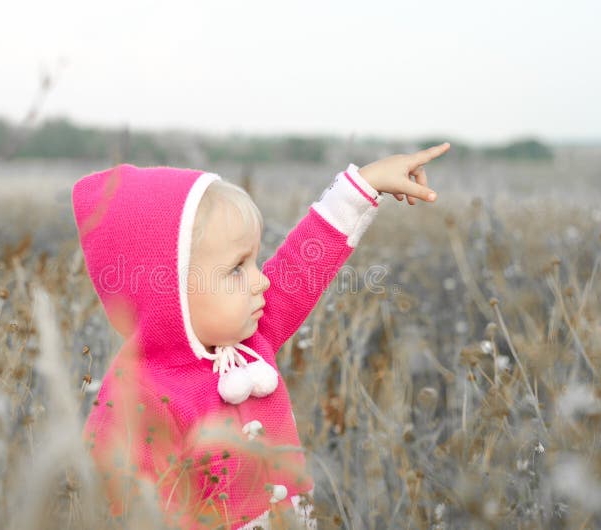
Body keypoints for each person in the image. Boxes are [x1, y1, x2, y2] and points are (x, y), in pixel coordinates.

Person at [71, 142, 450, 529]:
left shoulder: (250, 342)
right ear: (169, 290)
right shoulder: (139, 396)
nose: (261, 279)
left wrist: (362, 187)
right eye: (237, 268)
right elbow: (122, 510)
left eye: (253, 261)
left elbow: (301, 264)